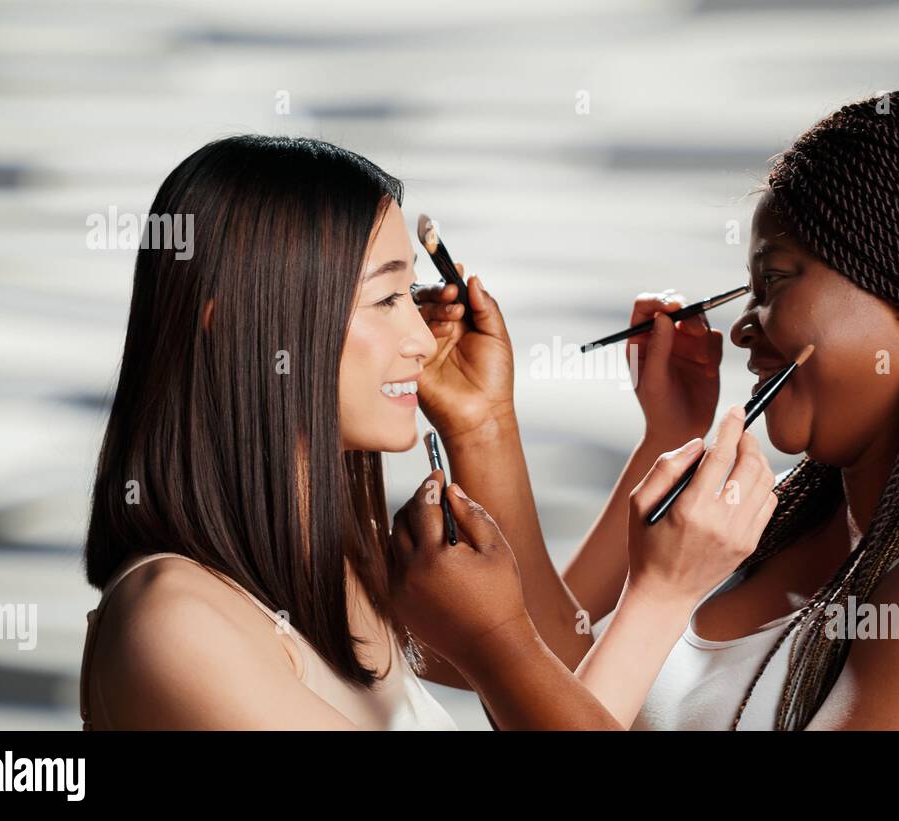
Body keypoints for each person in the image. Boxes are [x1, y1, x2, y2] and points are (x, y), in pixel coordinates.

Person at [427, 92, 899, 730]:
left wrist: (499, 643)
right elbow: (579, 684)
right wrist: (484, 423)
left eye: (772, 280)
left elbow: (536, 682)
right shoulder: (820, 510)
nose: (742, 329)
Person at [78, 134, 778, 730]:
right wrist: (661, 596)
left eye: (412, 294)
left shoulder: (335, 571)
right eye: (385, 298)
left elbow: (557, 670)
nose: (420, 336)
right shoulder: (175, 625)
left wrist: (491, 424)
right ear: (234, 327)